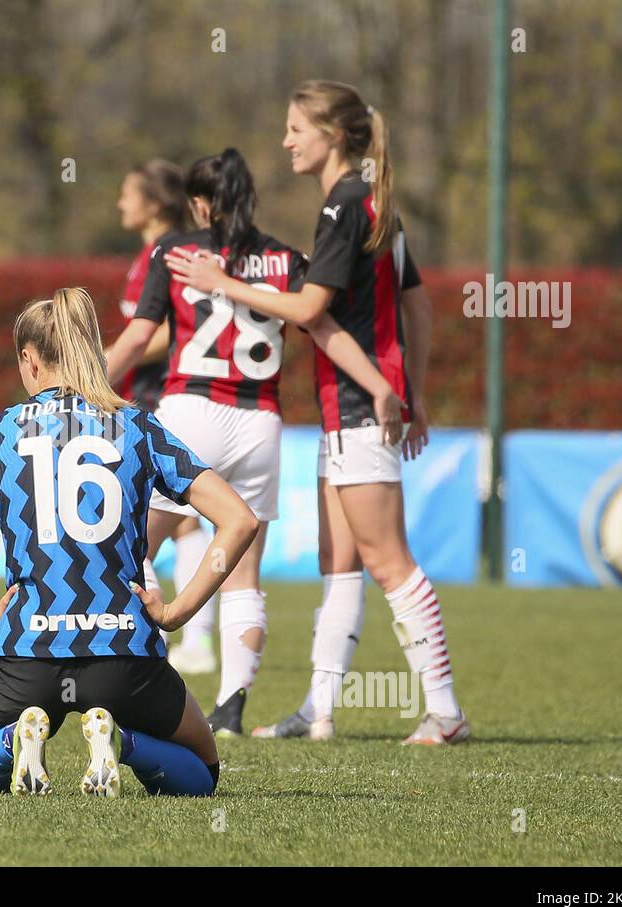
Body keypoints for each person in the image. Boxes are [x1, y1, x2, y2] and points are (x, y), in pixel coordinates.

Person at [165, 80, 468, 745]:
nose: (287, 140)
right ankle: (318, 710)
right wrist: (409, 391)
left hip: (359, 407)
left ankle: (445, 711)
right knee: (341, 563)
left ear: (331, 135)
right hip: (352, 406)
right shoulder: (375, 202)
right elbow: (417, 304)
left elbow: (309, 310)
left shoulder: (343, 208)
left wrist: (225, 284)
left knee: (390, 562)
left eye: (296, 128)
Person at [0, 288, 259, 797]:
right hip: (123, 654)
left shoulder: (1, 432)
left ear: (30, 360)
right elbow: (238, 519)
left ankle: (13, 743)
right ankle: (123, 741)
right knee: (204, 768)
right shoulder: (138, 427)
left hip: (29, 654)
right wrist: (177, 613)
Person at [107, 148, 403, 736]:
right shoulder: (285, 259)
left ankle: (149, 650)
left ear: (197, 202)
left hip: (190, 412)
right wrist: (379, 385)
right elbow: (323, 327)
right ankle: (232, 706)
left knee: (126, 543)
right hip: (259, 423)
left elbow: (139, 338)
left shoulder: (174, 251)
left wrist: (77, 389)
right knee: (243, 572)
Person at [112, 160, 217, 675]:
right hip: (149, 393)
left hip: (159, 396)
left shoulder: (171, 250)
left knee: (137, 527)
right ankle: (192, 640)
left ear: (154, 202)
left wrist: (101, 365)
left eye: (128, 193)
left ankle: (154, 632)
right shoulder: (148, 254)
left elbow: (167, 332)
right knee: (181, 523)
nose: (119, 203)